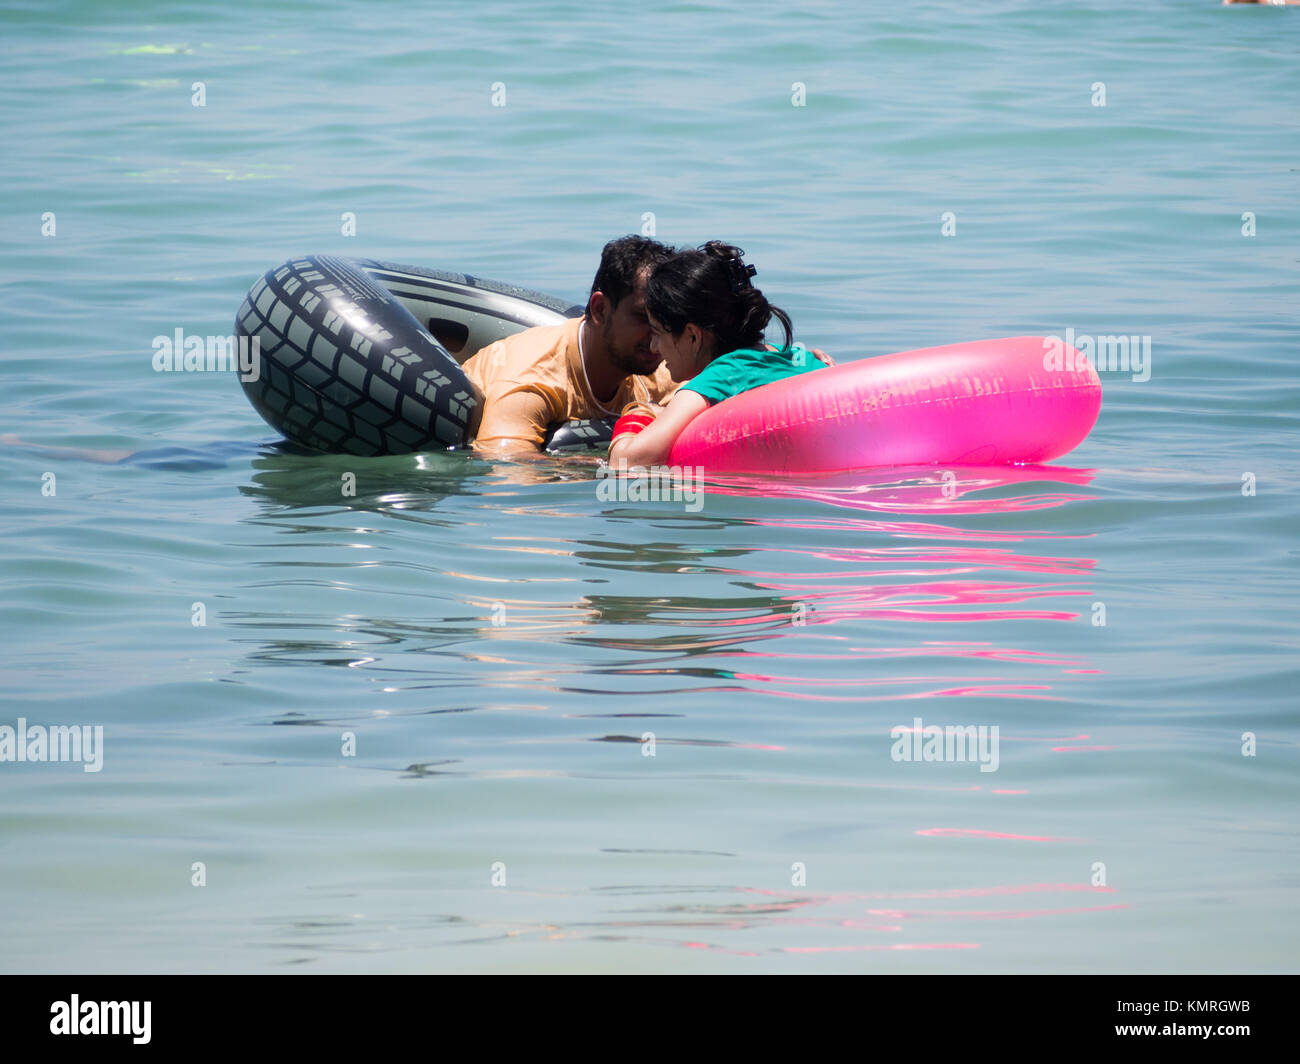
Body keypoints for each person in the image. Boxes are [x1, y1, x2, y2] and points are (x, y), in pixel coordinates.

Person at [607, 242, 829, 467]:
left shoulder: (718, 380)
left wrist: (640, 411)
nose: (654, 347)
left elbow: (626, 461)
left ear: (692, 336)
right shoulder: (807, 361)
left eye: (657, 332)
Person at [463, 236, 680, 454]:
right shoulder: (534, 377)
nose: (657, 333)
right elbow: (505, 469)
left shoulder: (656, 366)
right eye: (643, 317)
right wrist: (594, 469)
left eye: (664, 320)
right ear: (600, 310)